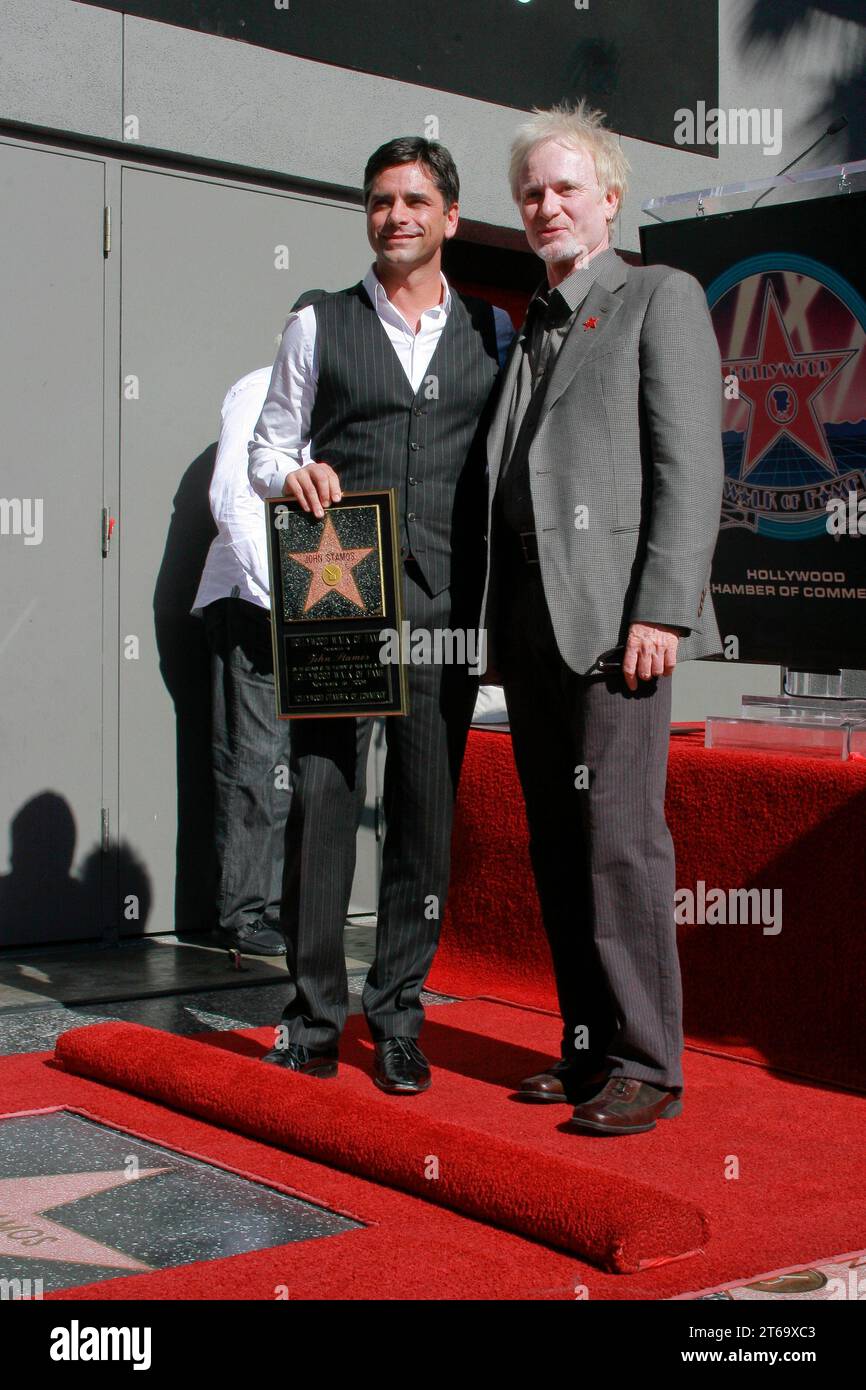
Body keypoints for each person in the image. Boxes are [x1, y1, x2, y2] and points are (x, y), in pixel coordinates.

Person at [248, 136, 512, 1093]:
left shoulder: (494, 332)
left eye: (413, 200)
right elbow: (266, 447)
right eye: (378, 201)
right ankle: (312, 1019)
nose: (394, 215)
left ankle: (397, 1014)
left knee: (422, 813)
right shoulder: (316, 322)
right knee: (320, 804)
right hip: (338, 583)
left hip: (444, 596)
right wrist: (294, 471)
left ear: (449, 216)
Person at [482, 102, 723, 1135]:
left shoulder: (654, 296)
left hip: (619, 624)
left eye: (563, 187)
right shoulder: (529, 323)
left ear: (608, 199)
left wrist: (661, 608)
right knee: (555, 840)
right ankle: (587, 1049)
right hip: (531, 629)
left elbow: (688, 466)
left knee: (618, 842)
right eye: (530, 190)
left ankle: (645, 1061)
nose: (545, 204)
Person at [193, 292, 325, 958]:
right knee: (255, 757)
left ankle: (268, 903)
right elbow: (230, 500)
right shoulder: (259, 388)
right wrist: (278, 600)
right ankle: (246, 913)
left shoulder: (321, 404)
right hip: (255, 599)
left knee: (288, 760)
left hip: (295, 601)